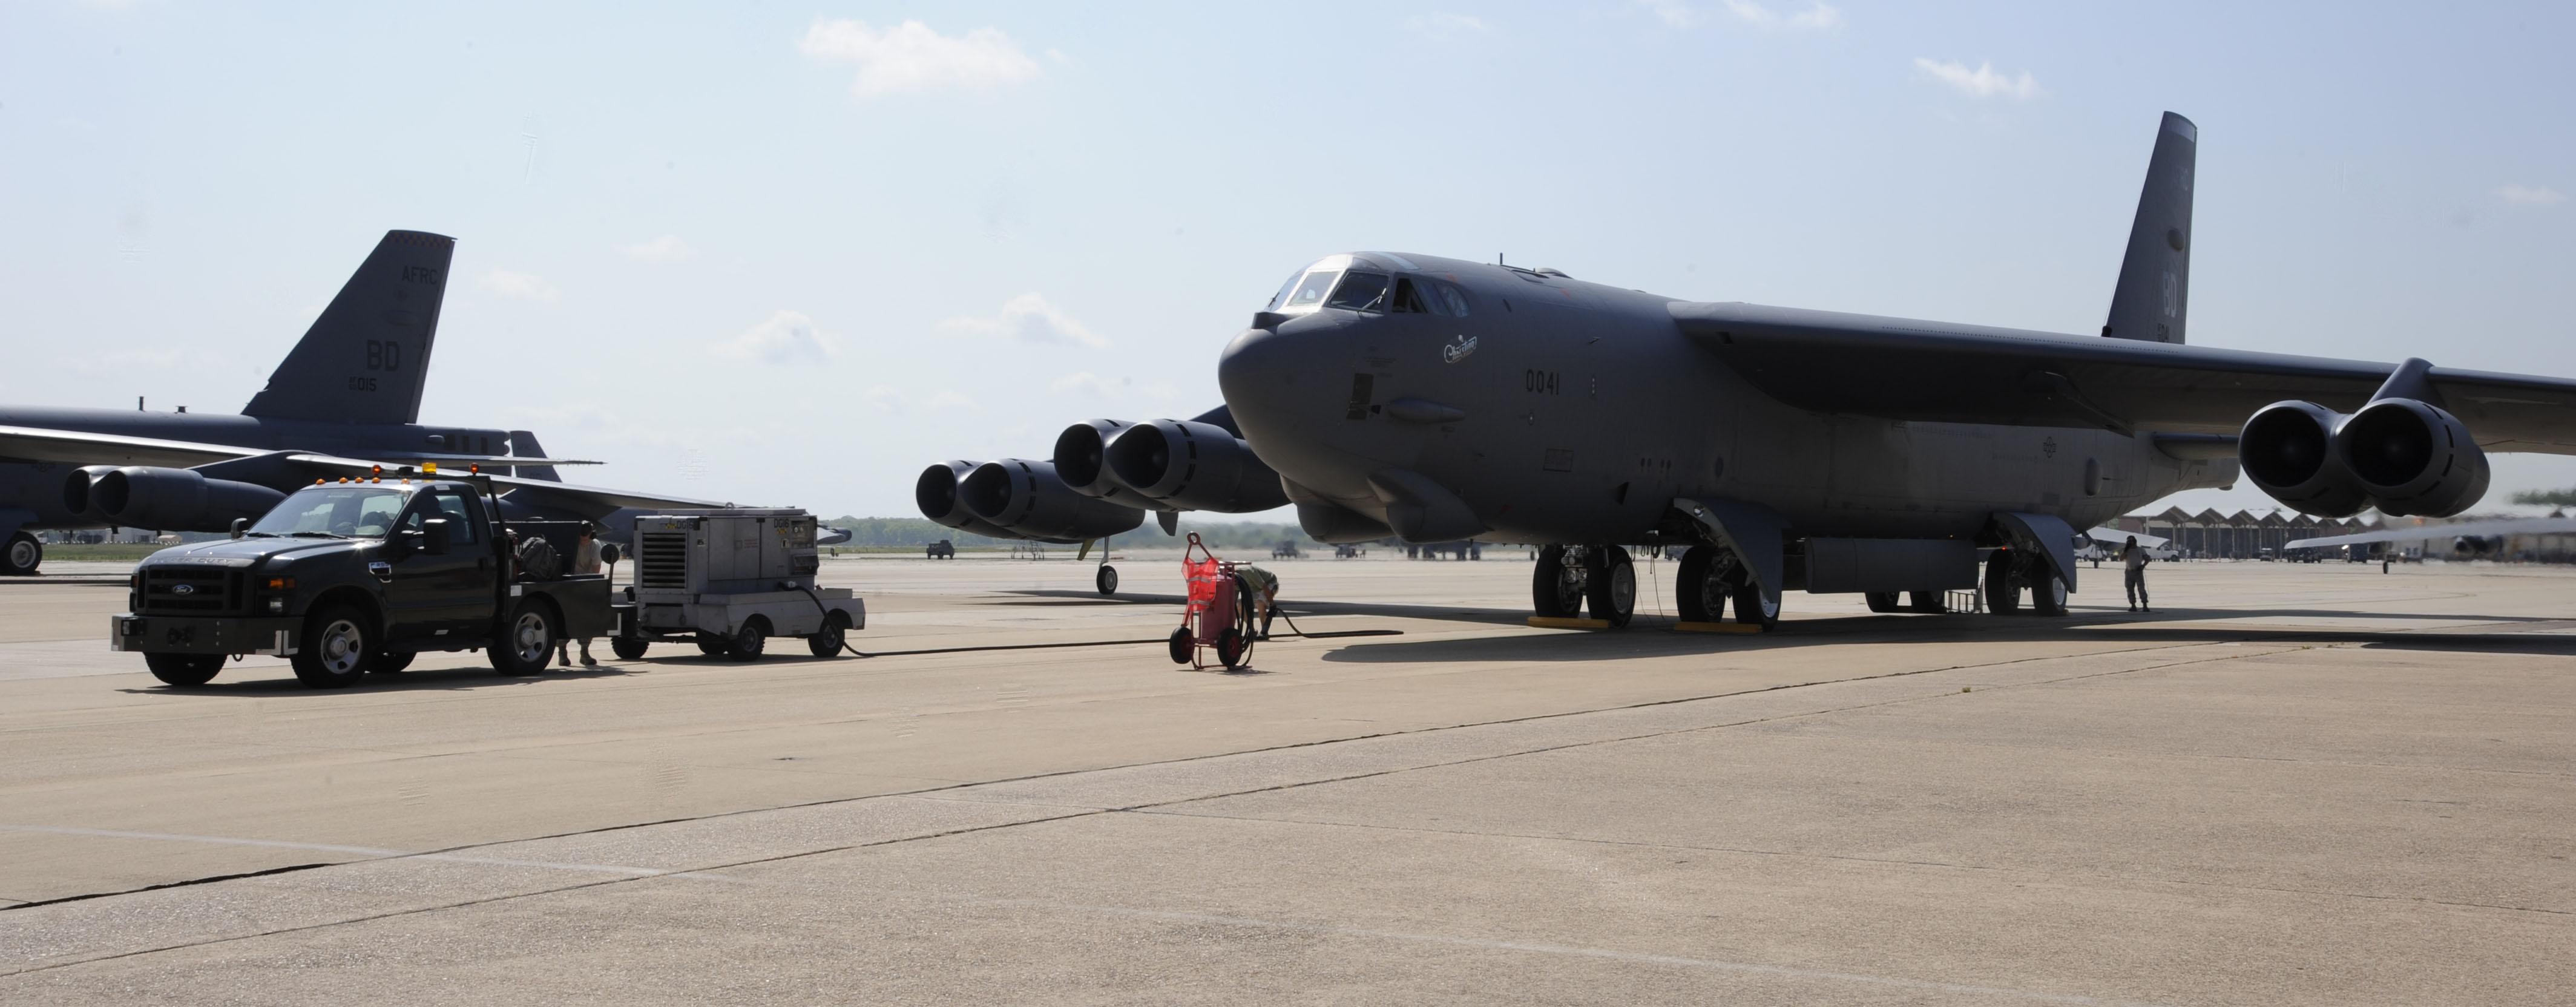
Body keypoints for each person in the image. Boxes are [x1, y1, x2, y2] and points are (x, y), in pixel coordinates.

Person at [557, 523, 603, 666]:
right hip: (569, 583)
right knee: (564, 618)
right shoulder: (570, 543)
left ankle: (585, 652)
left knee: (587, 619)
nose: (584, 542)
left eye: (586, 539)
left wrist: (588, 587)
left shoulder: (595, 545)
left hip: (586, 584)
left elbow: (596, 569)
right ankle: (562, 653)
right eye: (581, 539)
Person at [2123, 535, 2152, 613]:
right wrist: (2126, 550)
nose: (2130, 543)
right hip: (2129, 571)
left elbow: (2147, 558)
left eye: (2131, 541)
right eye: (2128, 541)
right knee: (2129, 589)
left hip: (2138, 571)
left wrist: (2143, 566)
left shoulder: (2140, 550)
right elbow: (2121, 558)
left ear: (2135, 541)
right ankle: (2133, 605)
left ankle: (2145, 605)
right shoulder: (2127, 550)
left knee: (2141, 588)